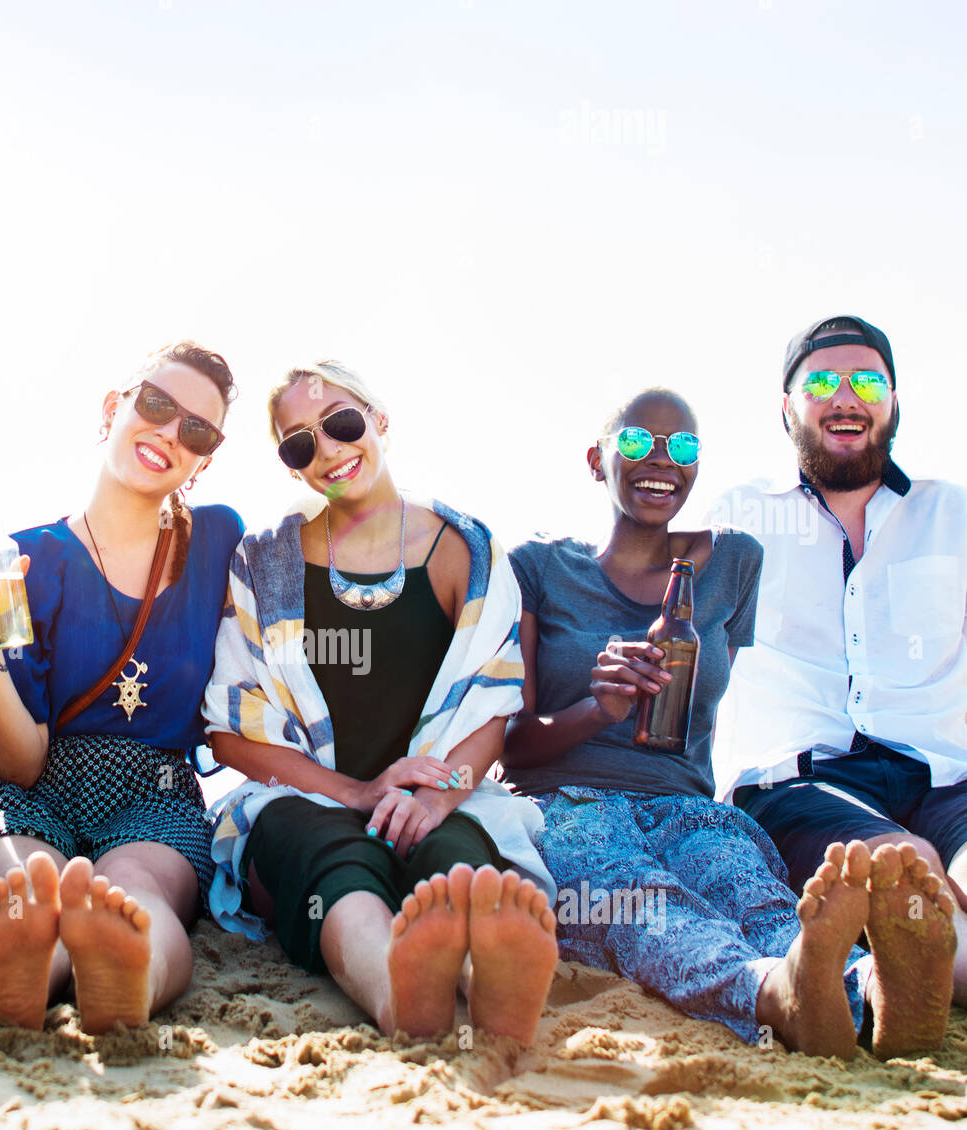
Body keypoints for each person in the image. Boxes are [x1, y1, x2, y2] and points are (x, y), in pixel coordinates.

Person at [502, 387, 957, 1060]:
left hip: (685, 805)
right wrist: (598, 707)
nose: (661, 458)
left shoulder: (729, 566)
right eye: (637, 442)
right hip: (570, 804)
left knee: (751, 893)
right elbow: (512, 749)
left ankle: (874, 992)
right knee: (644, 909)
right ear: (597, 460)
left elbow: (727, 698)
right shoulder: (539, 567)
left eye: (682, 446)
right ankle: (775, 994)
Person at [203, 361, 558, 1045]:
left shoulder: (468, 551)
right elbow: (231, 733)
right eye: (300, 444)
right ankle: (399, 996)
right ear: (292, 468)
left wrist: (439, 796)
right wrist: (359, 792)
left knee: (455, 855)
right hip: (309, 799)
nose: (330, 451)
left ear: (380, 421)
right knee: (327, 860)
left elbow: (492, 708)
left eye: (341, 422)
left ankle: (492, 984)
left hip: (439, 796)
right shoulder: (261, 565)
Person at [0, 342, 244, 1033]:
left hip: (153, 791)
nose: (168, 433)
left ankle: (128, 975)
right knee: (21, 887)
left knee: (135, 894)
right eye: (156, 405)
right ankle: (16, 972)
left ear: (204, 461)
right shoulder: (24, 560)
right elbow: (22, 762)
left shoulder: (219, 543)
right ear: (114, 407)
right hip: (37, 784)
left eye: (196, 430)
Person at [710, 315, 965, 1051]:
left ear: (894, 402)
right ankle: (913, 979)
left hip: (945, 774)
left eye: (867, 381)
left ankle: (915, 971)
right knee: (904, 873)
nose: (845, 396)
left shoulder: (954, 516)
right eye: (821, 382)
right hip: (802, 780)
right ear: (786, 405)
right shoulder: (739, 521)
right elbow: (665, 629)